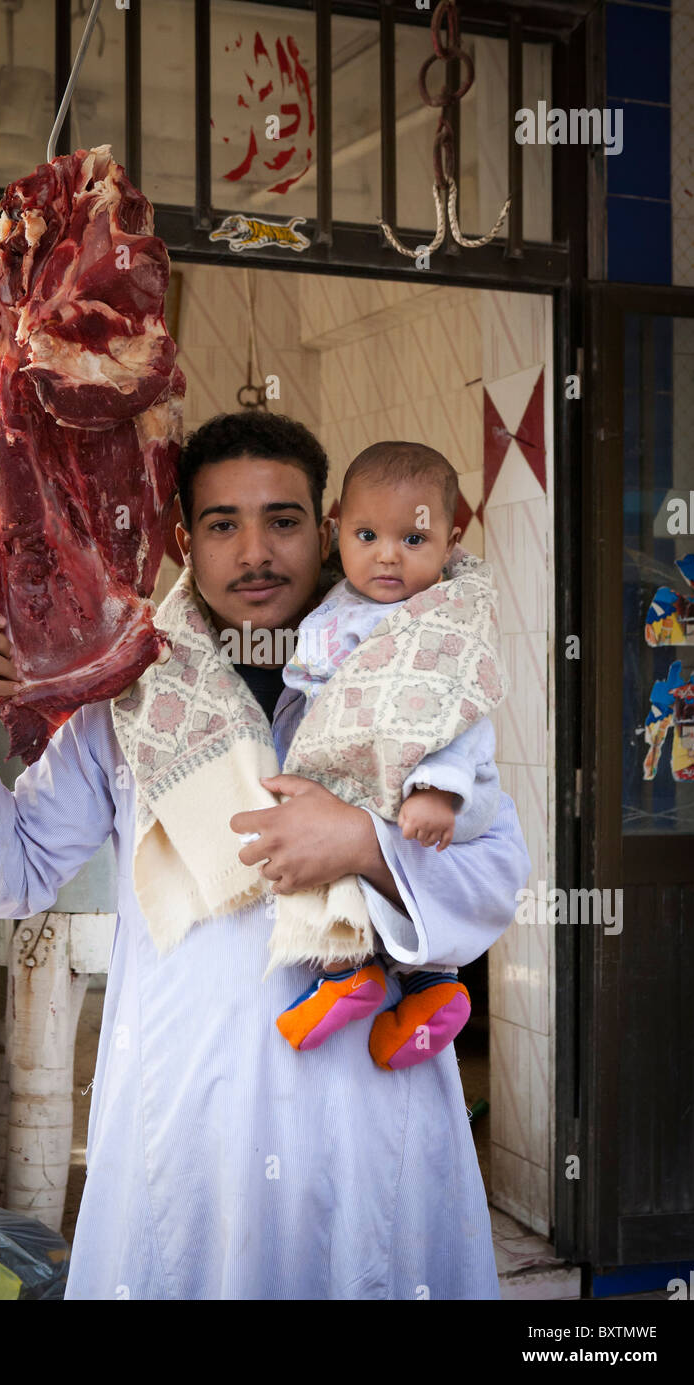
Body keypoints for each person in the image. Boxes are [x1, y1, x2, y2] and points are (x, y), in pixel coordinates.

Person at [0, 410, 531, 1300]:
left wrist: (362, 843)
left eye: (284, 519)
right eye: (223, 524)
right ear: (185, 539)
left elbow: (495, 875)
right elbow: (12, 873)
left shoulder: (419, 672)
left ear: (331, 524)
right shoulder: (130, 696)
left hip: (369, 1108)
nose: (255, 551)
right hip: (190, 1114)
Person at [274, 440, 506, 1068]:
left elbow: (459, 711)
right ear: (335, 531)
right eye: (368, 533)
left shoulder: (445, 618)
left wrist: (438, 786)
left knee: (407, 864)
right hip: (361, 774)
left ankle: (421, 984)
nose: (386, 555)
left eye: (413, 540)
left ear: (452, 541)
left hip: (433, 782)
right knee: (338, 862)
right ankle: (355, 976)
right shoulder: (334, 608)